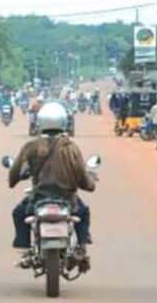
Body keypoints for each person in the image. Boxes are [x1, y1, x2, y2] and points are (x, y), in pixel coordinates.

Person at [8, 101, 96, 270]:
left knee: (19, 212)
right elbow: (81, 175)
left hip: (39, 198)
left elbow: (15, 171)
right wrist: (90, 184)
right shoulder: (72, 148)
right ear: (63, 122)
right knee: (83, 213)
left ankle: (26, 247)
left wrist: (13, 180)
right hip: (67, 199)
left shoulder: (31, 146)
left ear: (40, 122)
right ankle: (81, 248)